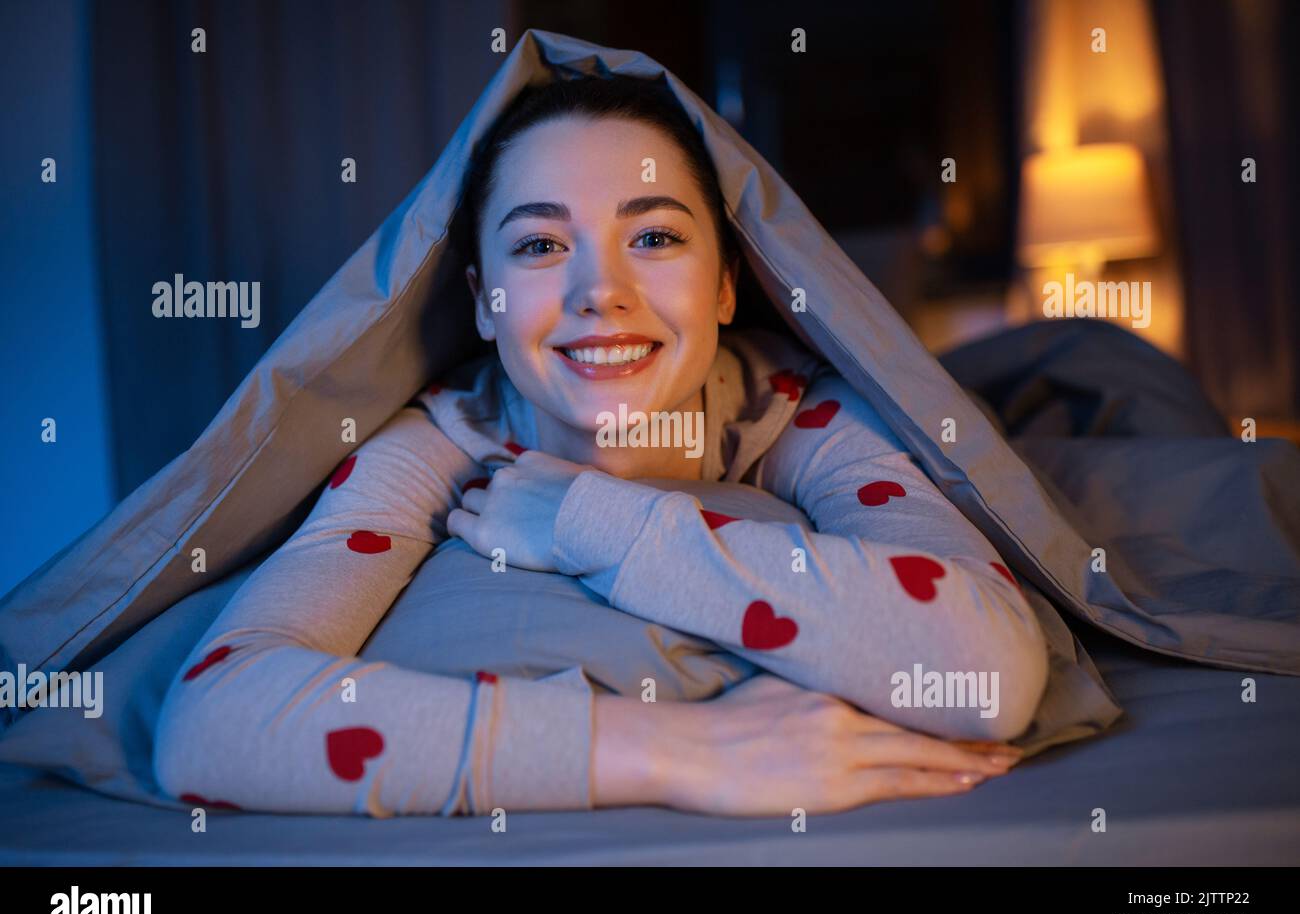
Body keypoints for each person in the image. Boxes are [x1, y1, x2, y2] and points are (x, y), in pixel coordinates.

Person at [153, 75, 1046, 819]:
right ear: (482, 299)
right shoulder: (433, 439)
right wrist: (681, 751)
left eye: (653, 237)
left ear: (728, 284)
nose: (600, 292)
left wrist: (597, 523)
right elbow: (209, 721)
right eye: (540, 245)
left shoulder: (806, 410)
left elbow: (986, 674)